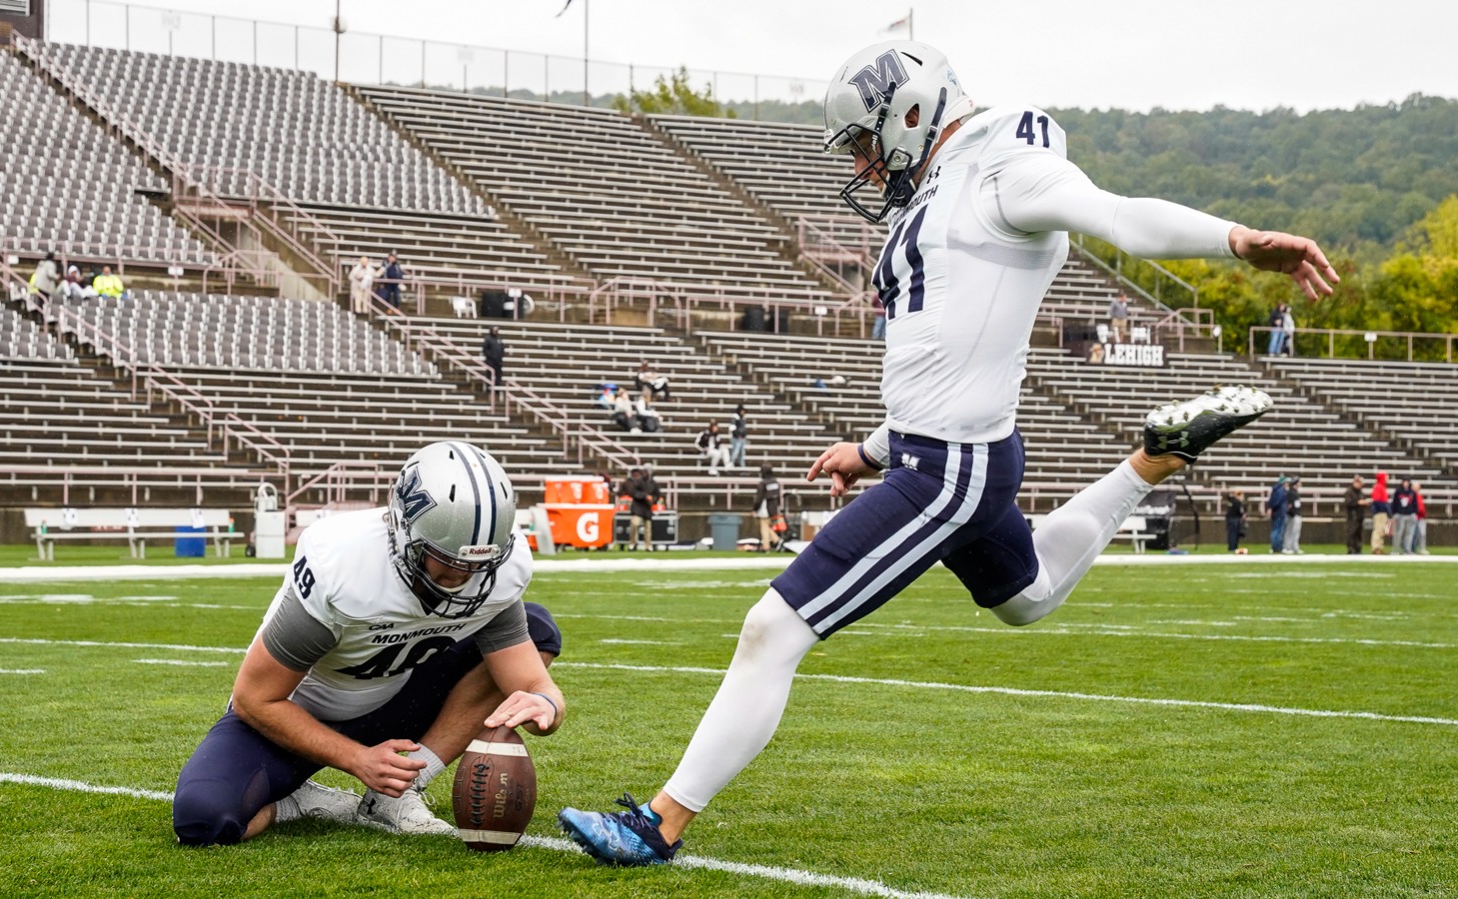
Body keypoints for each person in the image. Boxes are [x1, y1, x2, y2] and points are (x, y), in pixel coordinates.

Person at [558, 38, 1337, 864]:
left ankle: (659, 821)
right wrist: (868, 446)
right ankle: (1152, 457)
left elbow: (1117, 214)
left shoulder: (1005, 158)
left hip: (949, 467)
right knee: (1026, 595)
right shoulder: (938, 189)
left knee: (771, 627)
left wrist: (1239, 240)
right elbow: (940, 353)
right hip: (938, 450)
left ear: (914, 111)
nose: (862, 161)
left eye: (865, 140)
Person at [171, 441, 566, 846]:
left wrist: (548, 703)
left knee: (536, 627)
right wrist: (357, 759)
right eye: (445, 558)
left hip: (396, 694)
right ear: (403, 527)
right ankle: (293, 802)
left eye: (476, 564)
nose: (461, 576)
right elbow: (256, 698)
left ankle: (397, 789)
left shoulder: (497, 567)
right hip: (296, 713)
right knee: (204, 820)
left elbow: (532, 683)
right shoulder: (345, 567)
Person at [619, 466, 661, 552]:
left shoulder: (654, 483)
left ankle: (648, 545)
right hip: (638, 506)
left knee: (648, 528)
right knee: (634, 524)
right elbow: (633, 493)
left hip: (647, 508)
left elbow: (658, 495)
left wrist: (653, 499)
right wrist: (645, 496)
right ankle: (632, 543)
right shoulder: (638, 482)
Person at [752, 465, 783, 553]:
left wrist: (755, 509)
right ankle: (776, 540)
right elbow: (778, 496)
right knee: (766, 526)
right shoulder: (775, 482)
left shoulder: (763, 483)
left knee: (764, 527)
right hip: (773, 508)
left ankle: (767, 546)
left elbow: (759, 498)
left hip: (764, 507)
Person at [1343, 475, 1369, 554]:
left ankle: (1358, 549)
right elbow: (1348, 503)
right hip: (1352, 516)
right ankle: (1351, 548)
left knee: (1359, 534)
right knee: (1351, 533)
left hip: (1360, 516)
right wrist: (1358, 502)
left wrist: (1365, 503)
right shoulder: (1349, 492)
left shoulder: (1361, 493)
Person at [1391, 477, 1418, 554]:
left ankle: (1407, 549)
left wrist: (1414, 513)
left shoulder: (1412, 492)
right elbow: (1394, 503)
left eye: (1407, 482)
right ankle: (1395, 550)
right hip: (1400, 515)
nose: (1406, 484)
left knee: (1409, 534)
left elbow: (1415, 504)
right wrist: (1394, 513)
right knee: (1398, 534)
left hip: (1409, 515)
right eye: (1404, 482)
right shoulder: (1398, 491)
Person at [1266, 475, 1290, 554]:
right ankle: (1276, 547)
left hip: (1278, 512)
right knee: (1277, 531)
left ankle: (1276, 547)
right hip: (1279, 513)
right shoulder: (1280, 491)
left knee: (1277, 530)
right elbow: (1276, 502)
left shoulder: (1277, 490)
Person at [1369, 471, 1391, 554]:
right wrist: (1384, 509)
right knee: (1378, 529)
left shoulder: (1381, 487)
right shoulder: (1378, 487)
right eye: (1386, 476)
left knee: (1382, 530)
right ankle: (1376, 547)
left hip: (1382, 512)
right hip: (1379, 512)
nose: (1387, 478)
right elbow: (1377, 500)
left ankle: (1379, 547)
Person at [1282, 477, 1304, 554]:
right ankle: (1287, 547)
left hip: (1296, 514)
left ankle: (1295, 546)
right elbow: (1290, 505)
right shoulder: (1291, 492)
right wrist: (1292, 513)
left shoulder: (1295, 492)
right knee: (1290, 531)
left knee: (1296, 532)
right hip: (1292, 514)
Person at [1223, 488, 1247, 553]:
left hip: (1231, 519)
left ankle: (1232, 547)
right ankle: (1233, 547)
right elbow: (1240, 511)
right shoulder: (1237, 502)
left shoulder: (1232, 501)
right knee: (1234, 534)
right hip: (1235, 519)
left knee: (1232, 534)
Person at [728, 405, 749, 469]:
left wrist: (743, 436)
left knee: (741, 454)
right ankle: (730, 465)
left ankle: (743, 468)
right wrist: (737, 435)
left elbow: (743, 428)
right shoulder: (735, 417)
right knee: (735, 452)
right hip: (737, 438)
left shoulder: (743, 418)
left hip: (742, 438)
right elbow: (732, 428)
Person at [1412, 482, 1429, 555]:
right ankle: (1412, 549)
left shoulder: (1419, 495)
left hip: (1421, 517)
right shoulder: (1411, 495)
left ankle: (1422, 548)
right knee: (1413, 534)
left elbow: (1421, 507)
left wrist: (1423, 514)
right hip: (1415, 517)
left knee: (1422, 534)